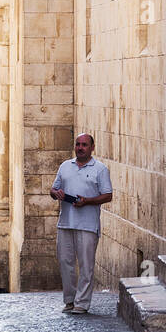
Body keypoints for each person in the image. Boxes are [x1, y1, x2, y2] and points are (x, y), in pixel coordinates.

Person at [49, 134, 112, 314]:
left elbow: (108, 195)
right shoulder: (65, 166)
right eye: (78, 144)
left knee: (86, 265)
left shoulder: (100, 169)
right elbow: (53, 189)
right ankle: (69, 300)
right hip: (65, 222)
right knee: (65, 262)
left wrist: (87, 201)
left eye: (84, 145)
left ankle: (82, 303)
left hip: (88, 224)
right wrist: (56, 193)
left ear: (92, 147)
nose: (80, 148)